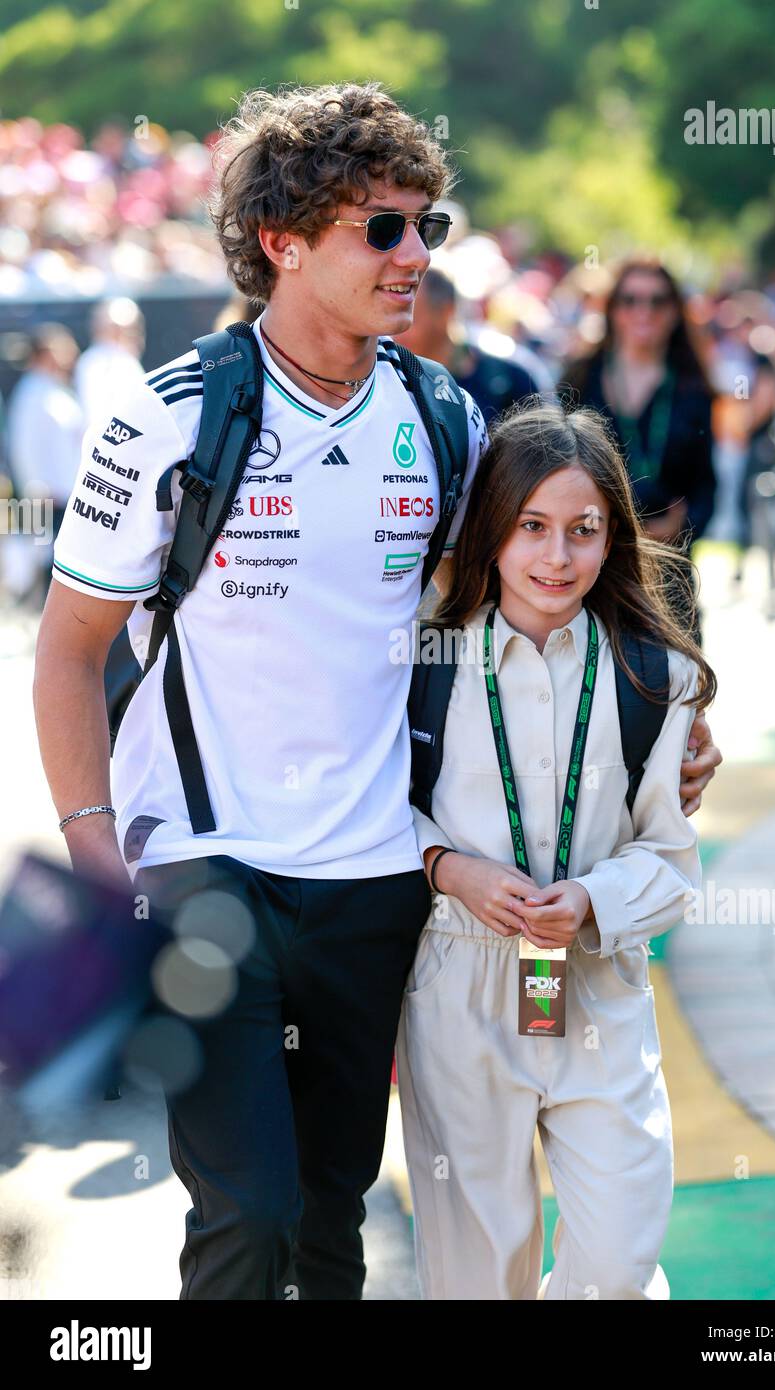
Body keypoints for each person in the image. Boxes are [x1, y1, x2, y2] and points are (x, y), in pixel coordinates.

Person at [33, 82, 722, 1302]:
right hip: (202, 864)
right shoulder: (169, 418)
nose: (416, 255)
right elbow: (69, 646)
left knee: (329, 1219)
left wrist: (662, 719)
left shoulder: (441, 415)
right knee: (247, 1212)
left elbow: (519, 599)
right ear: (282, 242)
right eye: (383, 228)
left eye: (427, 226)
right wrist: (97, 849)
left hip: (373, 877)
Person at [396, 401, 716, 1300]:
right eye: (532, 526)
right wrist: (449, 868)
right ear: (493, 528)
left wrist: (592, 900)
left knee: (618, 1258)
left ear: (613, 536)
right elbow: (370, 810)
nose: (557, 556)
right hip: (456, 985)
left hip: (598, 982)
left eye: (584, 529)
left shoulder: (654, 676)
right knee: (475, 1271)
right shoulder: (421, 658)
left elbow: (671, 858)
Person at [559, 260, 716, 640]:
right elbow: (557, 470)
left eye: (657, 301)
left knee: (676, 675)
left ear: (675, 312)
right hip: (592, 568)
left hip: (667, 571)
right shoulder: (581, 375)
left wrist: (680, 527)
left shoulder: (694, 386)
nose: (643, 311)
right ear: (612, 309)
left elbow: (707, 484)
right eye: (630, 300)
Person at [396, 266, 540, 425]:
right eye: (394, 316)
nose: (396, 332)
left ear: (446, 312)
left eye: (410, 317)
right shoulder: (388, 380)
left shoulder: (509, 381)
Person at [7, 323, 84, 606]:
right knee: (45, 563)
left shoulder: (54, 389)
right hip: (48, 498)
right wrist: (35, 488)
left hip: (65, 494)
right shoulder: (32, 392)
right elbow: (23, 447)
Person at [73, 297, 145, 427]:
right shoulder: (94, 361)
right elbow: (94, 414)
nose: (129, 333)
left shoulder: (126, 359)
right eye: (117, 328)